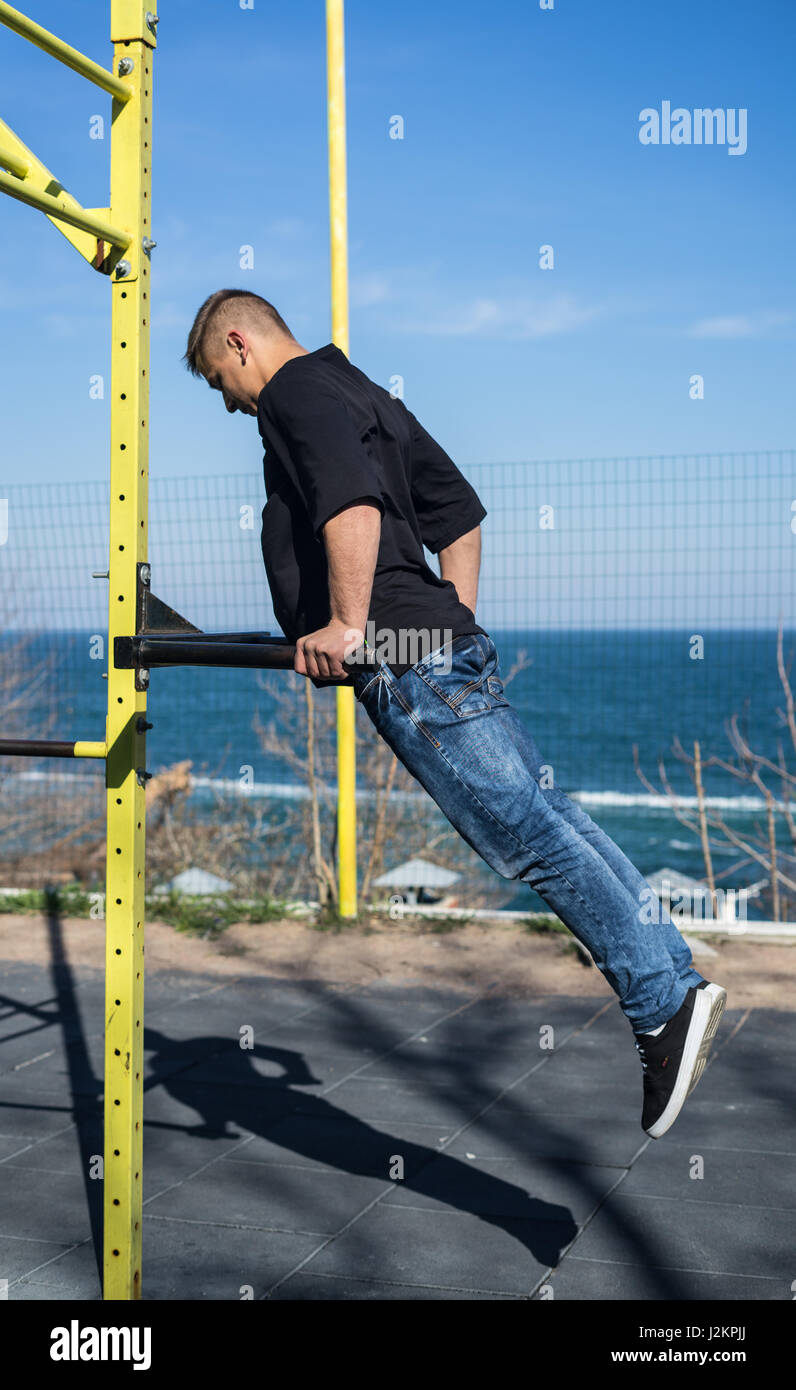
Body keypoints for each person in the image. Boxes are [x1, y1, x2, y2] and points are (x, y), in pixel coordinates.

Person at [183, 288, 727, 1139]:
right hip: (439, 648)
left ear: (242, 343)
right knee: (549, 817)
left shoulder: (292, 395)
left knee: (529, 839)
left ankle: (660, 1007)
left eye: (223, 381)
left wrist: (354, 628)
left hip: (405, 658)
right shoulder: (362, 389)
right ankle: (677, 982)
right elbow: (460, 512)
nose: (231, 402)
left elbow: (349, 508)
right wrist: (451, 625)